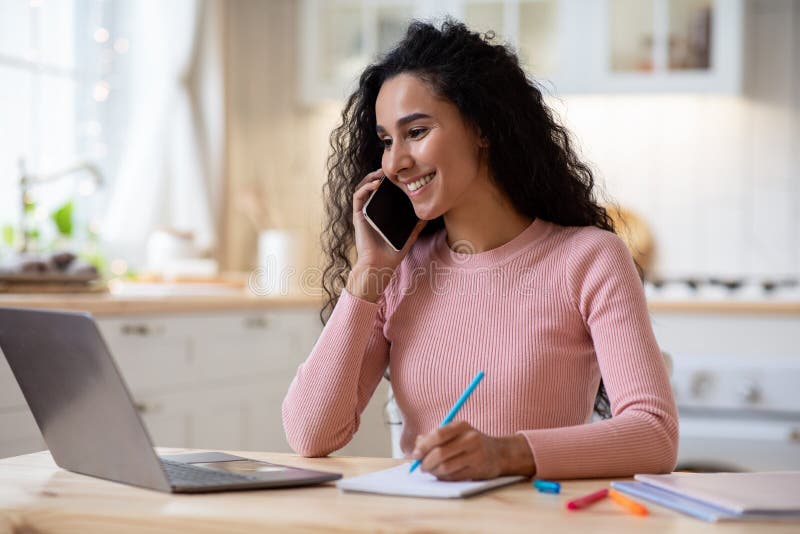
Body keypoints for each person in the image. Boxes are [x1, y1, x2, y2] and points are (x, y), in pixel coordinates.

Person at [282, 20, 678, 481]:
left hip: (536, 514)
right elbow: (309, 435)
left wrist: (505, 454)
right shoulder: (400, 272)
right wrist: (369, 272)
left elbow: (654, 435)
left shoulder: (589, 258)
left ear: (482, 127)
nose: (395, 162)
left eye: (417, 131)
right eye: (387, 141)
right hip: (417, 514)